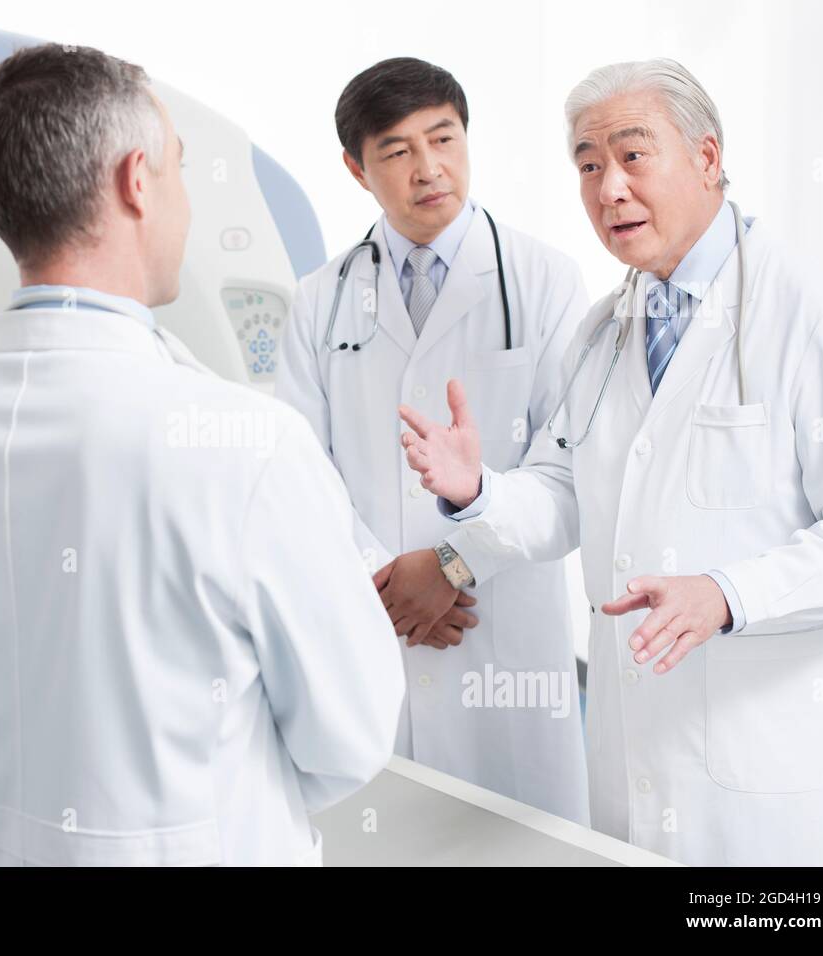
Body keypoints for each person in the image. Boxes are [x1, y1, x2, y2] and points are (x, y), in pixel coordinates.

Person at [0, 43, 405, 867]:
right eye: (178, 167)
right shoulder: (247, 443)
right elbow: (350, 736)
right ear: (136, 181)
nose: (184, 198)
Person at [399, 59, 823, 865]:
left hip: (767, 780)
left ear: (707, 157)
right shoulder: (604, 330)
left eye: (632, 155)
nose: (609, 188)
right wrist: (477, 493)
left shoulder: (810, 312)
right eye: (588, 165)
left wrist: (726, 595)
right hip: (634, 762)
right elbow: (563, 495)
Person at [276, 58, 589, 823]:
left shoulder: (545, 281)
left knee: (516, 845)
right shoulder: (318, 302)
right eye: (396, 150)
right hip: (376, 630)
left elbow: (568, 472)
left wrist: (454, 562)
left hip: (503, 640)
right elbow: (296, 476)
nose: (428, 168)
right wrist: (383, 581)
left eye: (443, 138)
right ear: (357, 169)